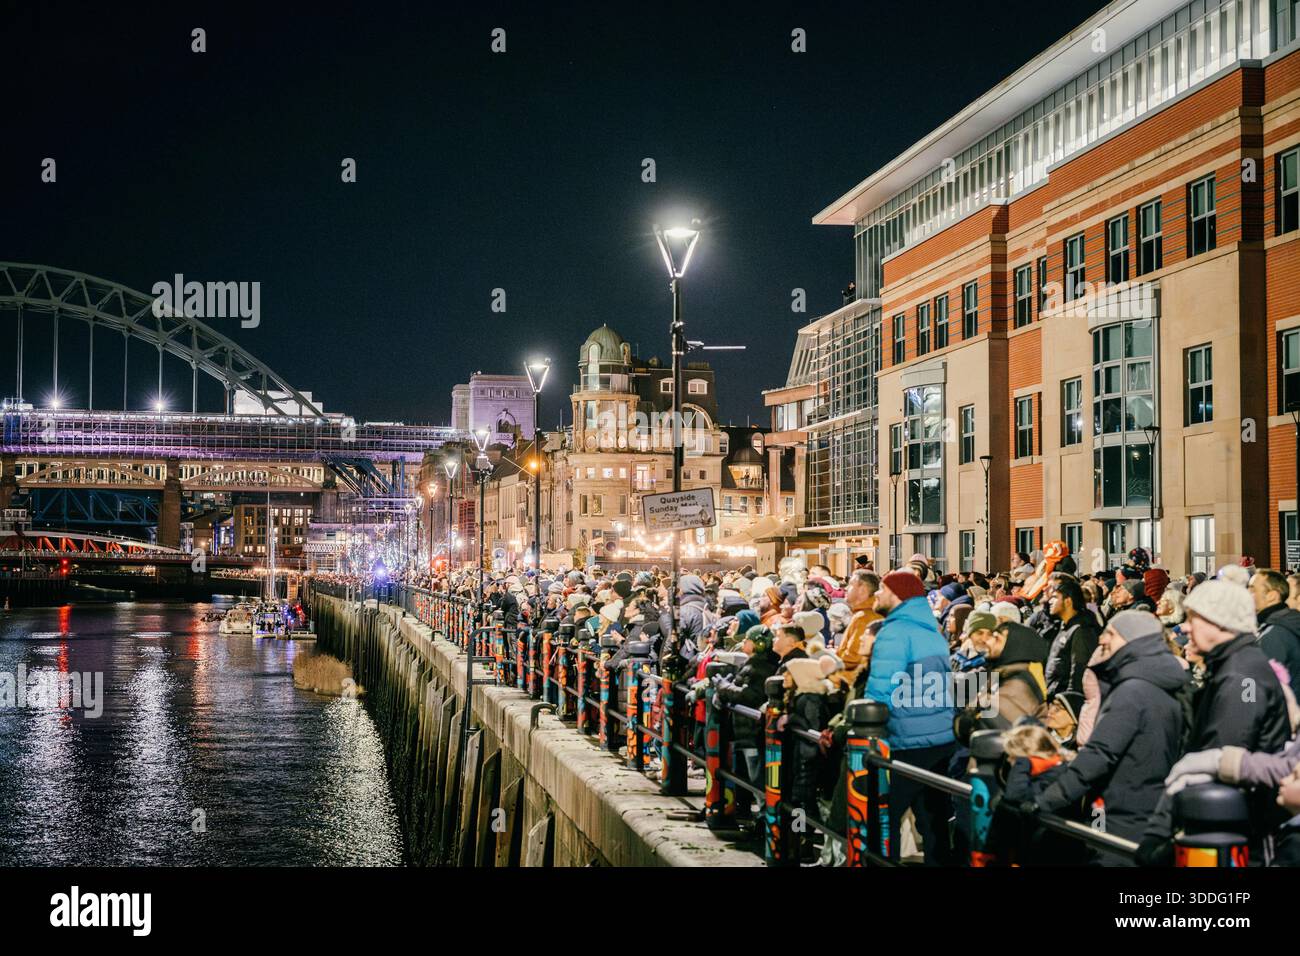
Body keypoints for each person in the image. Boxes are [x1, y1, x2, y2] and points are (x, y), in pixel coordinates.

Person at [1032, 610, 1188, 863]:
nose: (1103, 639)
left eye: (1112, 635)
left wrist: (1045, 800)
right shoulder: (1155, 683)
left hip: (1121, 813)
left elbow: (1100, 754)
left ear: (1133, 642)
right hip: (1145, 807)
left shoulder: (1133, 691)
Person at [866, 570, 957, 864]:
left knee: (881, 816)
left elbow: (880, 691)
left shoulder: (895, 631)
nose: (876, 594)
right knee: (933, 819)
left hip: (908, 738)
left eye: (881, 589)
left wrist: (859, 725)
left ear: (897, 594)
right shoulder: (930, 628)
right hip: (941, 735)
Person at [954, 620, 1048, 745]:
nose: (988, 641)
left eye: (997, 639)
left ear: (1014, 647)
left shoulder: (1016, 687)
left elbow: (984, 736)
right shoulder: (1002, 674)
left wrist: (963, 722)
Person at [1044, 577, 1100, 697]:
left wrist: (1068, 702)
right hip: (1054, 697)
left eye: (1055, 597)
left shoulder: (1081, 630)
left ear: (1068, 601)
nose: (1050, 601)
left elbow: (1079, 671)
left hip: (1065, 702)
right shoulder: (1063, 626)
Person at [1252, 568, 1300, 695]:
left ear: (1272, 595)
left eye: (1252, 589)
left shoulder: (1275, 633)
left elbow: (1259, 688)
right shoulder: (1282, 623)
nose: (1248, 594)